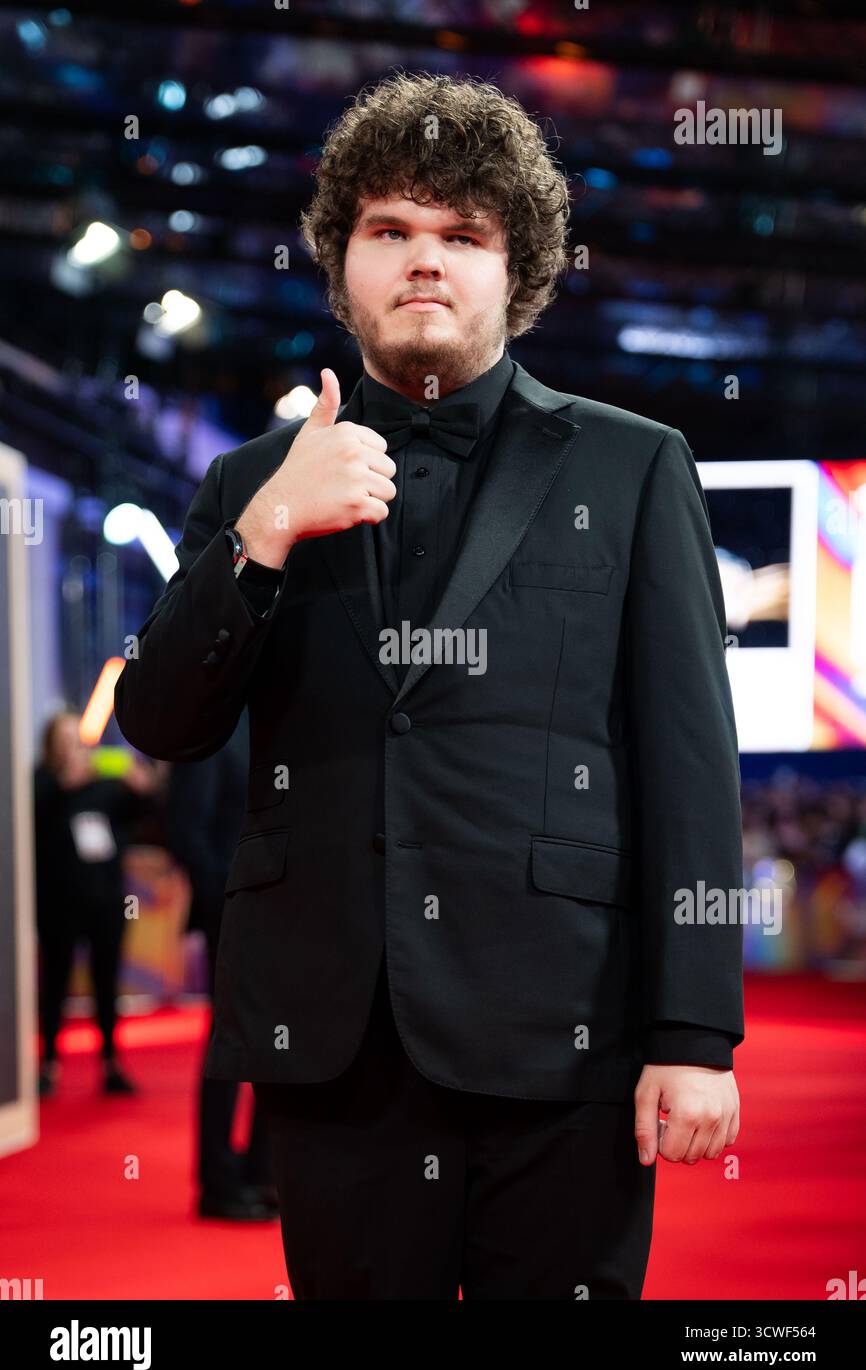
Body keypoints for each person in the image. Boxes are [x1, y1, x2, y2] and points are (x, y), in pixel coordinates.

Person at [114, 72, 744, 1299]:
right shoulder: (252, 480)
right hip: (333, 1036)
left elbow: (687, 764)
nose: (423, 260)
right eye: (389, 229)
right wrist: (265, 534)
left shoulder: (631, 466)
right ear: (340, 260)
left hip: (565, 1029)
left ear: (518, 269)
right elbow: (161, 721)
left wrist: (694, 1034)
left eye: (462, 234)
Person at [163, 708, 278, 1221]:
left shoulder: (275, 725)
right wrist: (230, 899)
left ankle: (263, 1172)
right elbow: (185, 829)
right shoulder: (216, 729)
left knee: (277, 1039)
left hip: (280, 910)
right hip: (231, 910)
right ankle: (219, 1181)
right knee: (229, 1040)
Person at [34, 708, 158, 1096]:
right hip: (58, 903)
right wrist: (63, 785)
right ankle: (48, 1064)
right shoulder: (41, 784)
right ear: (52, 747)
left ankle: (110, 1063)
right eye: (64, 741)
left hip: (105, 901)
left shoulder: (105, 786)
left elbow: (145, 814)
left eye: (78, 740)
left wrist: (142, 787)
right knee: (55, 982)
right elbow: (29, 821)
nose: (73, 748)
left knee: (107, 982)